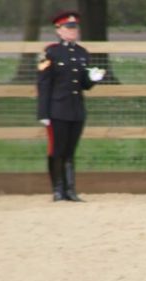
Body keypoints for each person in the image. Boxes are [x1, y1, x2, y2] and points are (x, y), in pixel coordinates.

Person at [37, 10, 105, 202]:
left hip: (76, 110)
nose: (73, 31)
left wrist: (92, 80)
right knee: (57, 150)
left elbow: (83, 84)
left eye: (75, 28)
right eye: (69, 28)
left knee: (70, 151)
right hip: (57, 109)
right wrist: (43, 112)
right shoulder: (50, 52)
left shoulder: (82, 53)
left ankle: (71, 191)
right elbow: (43, 84)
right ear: (59, 30)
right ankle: (58, 190)